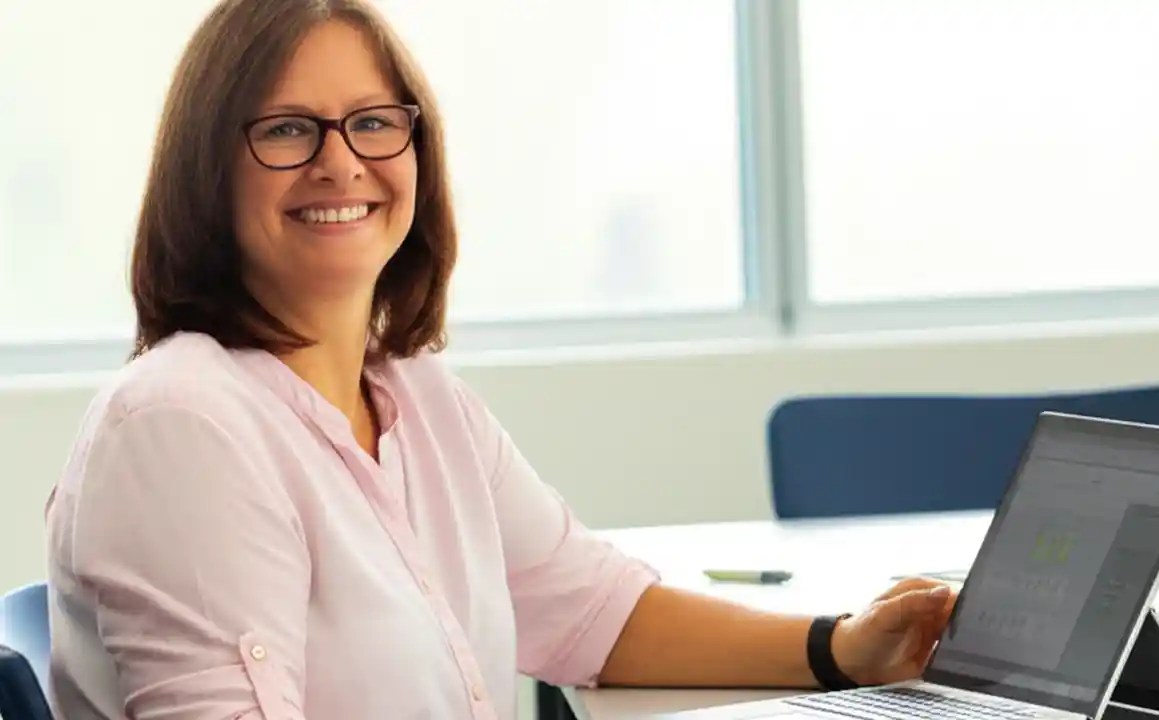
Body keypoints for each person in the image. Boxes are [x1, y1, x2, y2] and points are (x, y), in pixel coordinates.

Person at [44, 1, 956, 718]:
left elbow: (594, 613)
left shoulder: (418, 397)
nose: (340, 162)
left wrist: (841, 648)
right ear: (207, 171)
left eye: (373, 122)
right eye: (286, 129)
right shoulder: (181, 426)